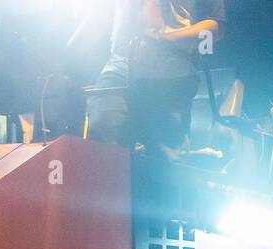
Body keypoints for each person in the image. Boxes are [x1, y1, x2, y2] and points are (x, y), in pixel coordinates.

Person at [90, 1, 226, 158]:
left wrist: (165, 39)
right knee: (103, 133)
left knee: (166, 154)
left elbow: (215, 29)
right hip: (123, 59)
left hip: (173, 68)